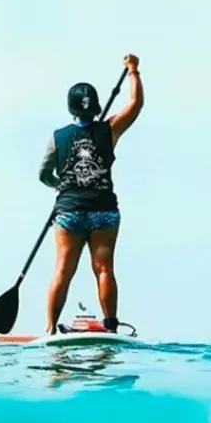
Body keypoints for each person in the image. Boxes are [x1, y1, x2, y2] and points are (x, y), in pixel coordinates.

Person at [37, 53, 144, 335]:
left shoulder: (58, 137)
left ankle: (49, 330)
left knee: (63, 270)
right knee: (104, 269)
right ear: (95, 106)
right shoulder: (109, 129)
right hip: (103, 212)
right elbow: (135, 104)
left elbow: (43, 174)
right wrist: (133, 71)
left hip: (69, 212)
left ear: (71, 108)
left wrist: (60, 186)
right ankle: (110, 327)